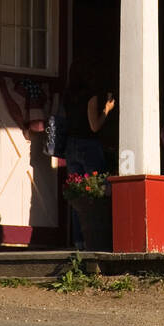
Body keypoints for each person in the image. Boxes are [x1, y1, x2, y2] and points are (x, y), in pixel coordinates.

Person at [64, 62, 115, 249]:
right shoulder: (90, 96)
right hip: (88, 145)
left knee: (77, 194)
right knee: (97, 190)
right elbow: (94, 126)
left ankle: (79, 240)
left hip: (70, 145)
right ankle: (95, 237)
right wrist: (107, 110)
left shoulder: (67, 95)